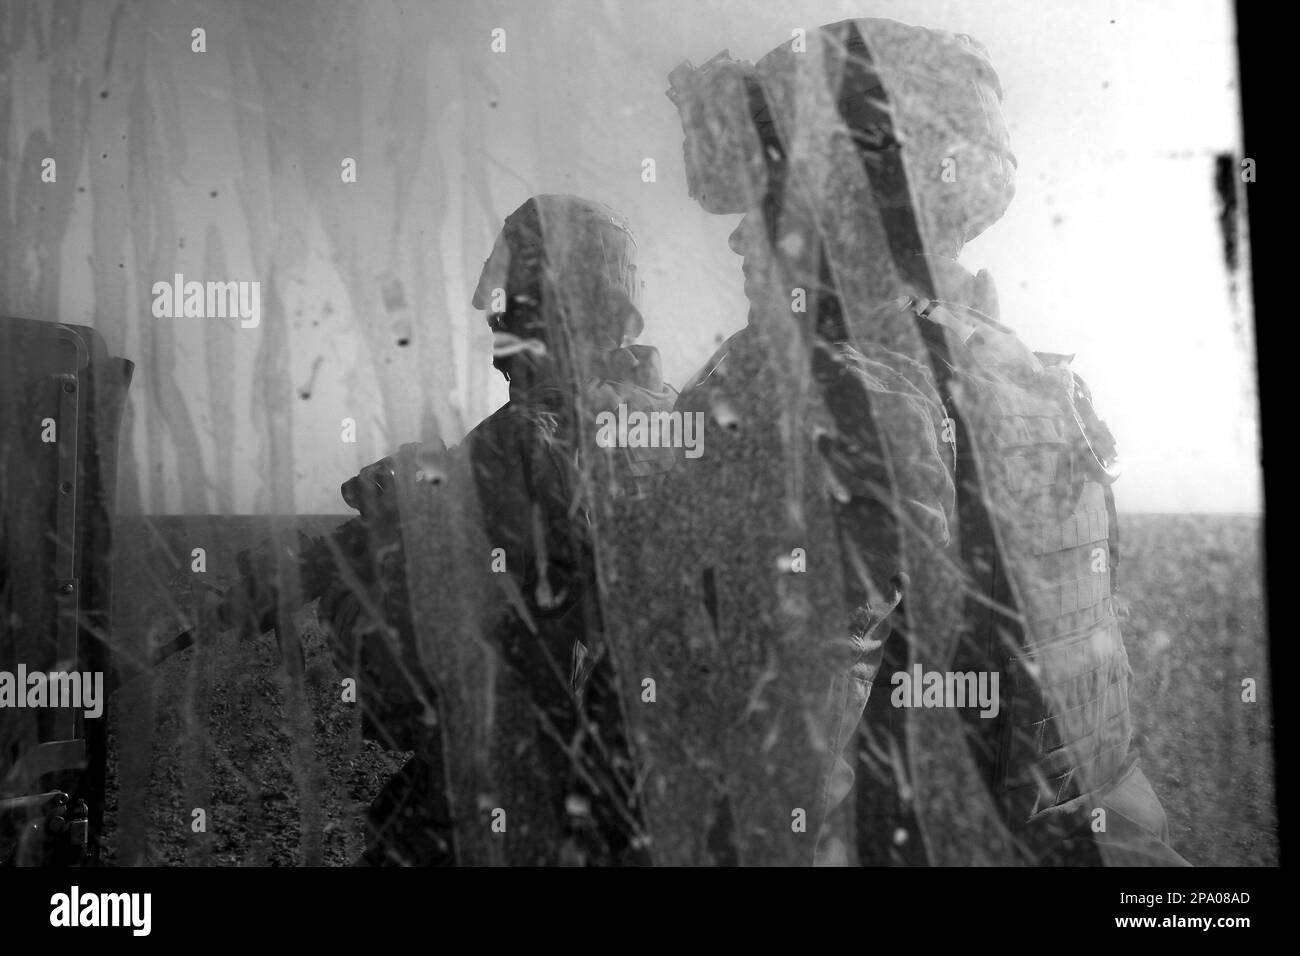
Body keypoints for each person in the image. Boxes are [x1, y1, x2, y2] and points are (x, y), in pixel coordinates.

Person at [663, 17, 1188, 866]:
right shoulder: (1026, 377)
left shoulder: (845, 391)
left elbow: (779, 788)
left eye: (770, 199)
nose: (739, 238)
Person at [225, 195, 669, 865]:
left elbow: (406, 682)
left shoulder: (517, 445)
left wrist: (342, 593)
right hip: (633, 808)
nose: (493, 319)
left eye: (513, 301)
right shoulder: (665, 422)